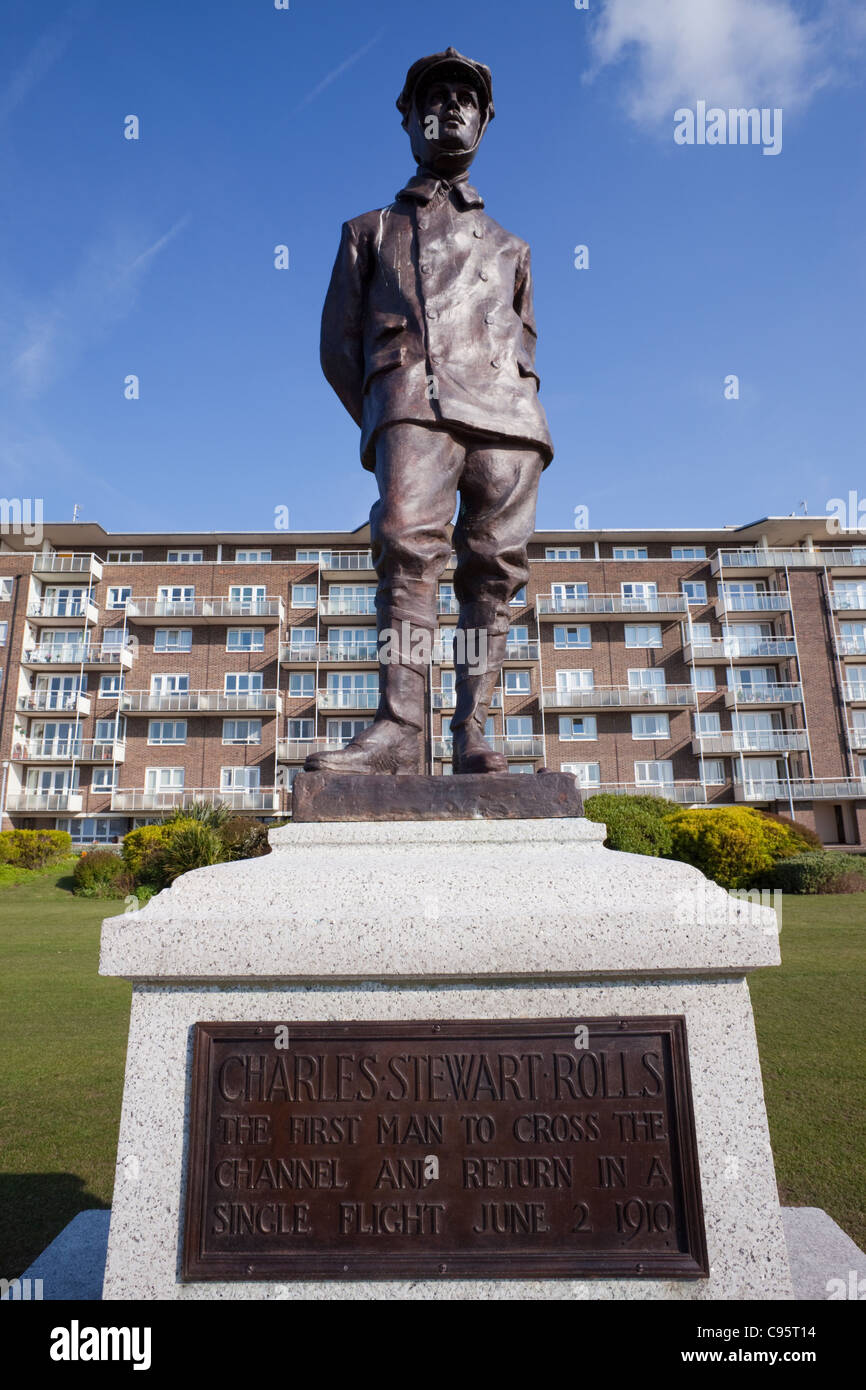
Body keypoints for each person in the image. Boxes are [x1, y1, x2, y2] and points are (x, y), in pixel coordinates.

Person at [305, 47, 553, 776]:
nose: (451, 108)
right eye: (434, 99)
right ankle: (397, 725)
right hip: (413, 401)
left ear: (484, 122)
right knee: (408, 549)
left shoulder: (514, 248)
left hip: (509, 421)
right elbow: (336, 348)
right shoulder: (370, 231)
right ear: (408, 120)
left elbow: (525, 345)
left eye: (465, 100)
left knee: (494, 571)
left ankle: (477, 728)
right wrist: (391, 414)